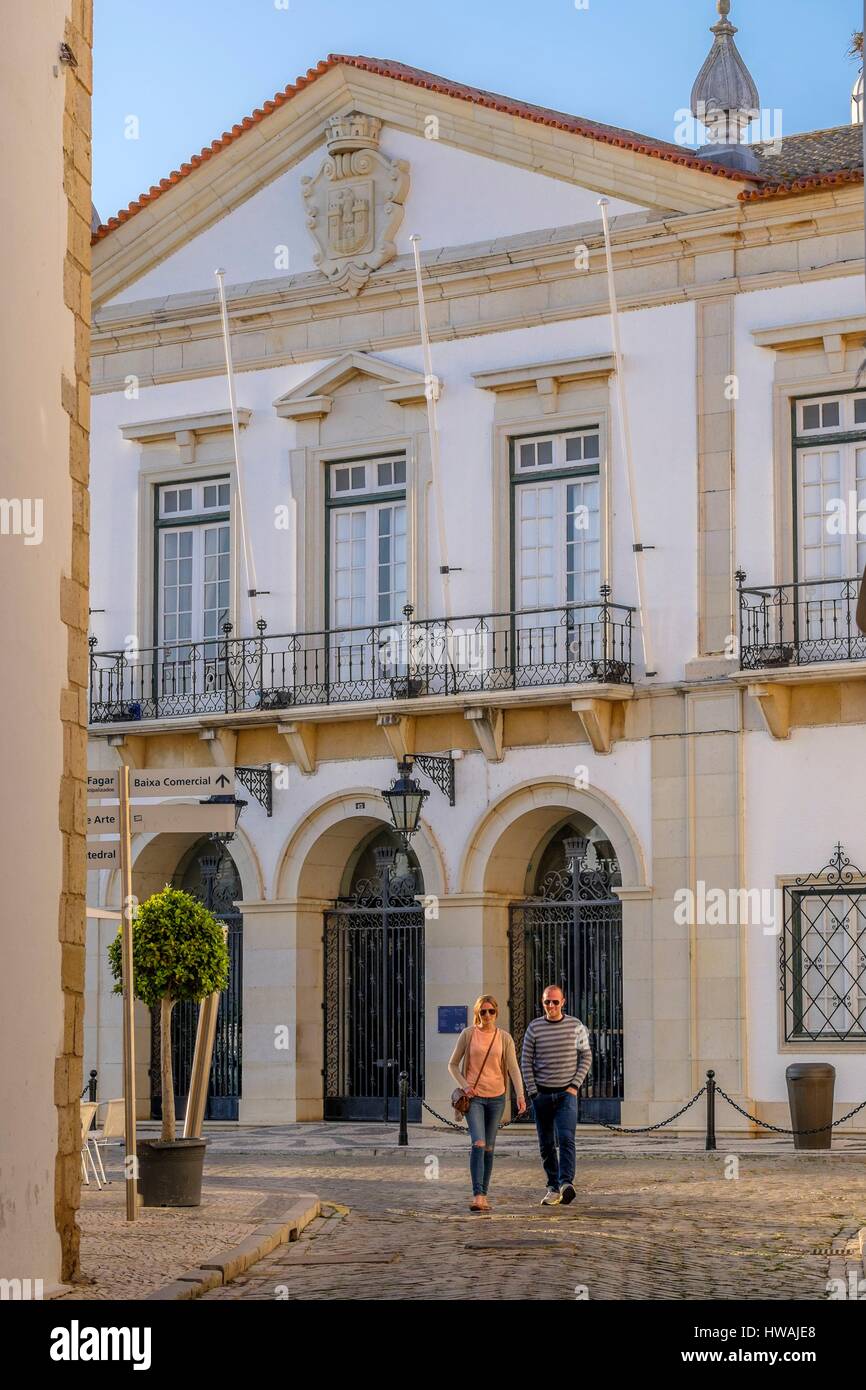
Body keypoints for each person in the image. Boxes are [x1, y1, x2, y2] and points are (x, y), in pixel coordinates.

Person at [448, 995, 527, 1212]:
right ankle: (478, 1196)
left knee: (490, 1148)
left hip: (497, 1097)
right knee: (478, 1144)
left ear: (496, 1013)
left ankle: (485, 1193)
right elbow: (452, 1065)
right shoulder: (468, 1034)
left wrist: (520, 1096)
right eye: (483, 1012)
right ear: (477, 1014)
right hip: (474, 1099)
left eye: (491, 1011)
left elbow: (513, 1069)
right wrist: (465, 1085)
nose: (487, 1016)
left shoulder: (504, 1038)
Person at [521, 984, 593, 1206]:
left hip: (566, 1094)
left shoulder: (576, 1026)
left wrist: (574, 1086)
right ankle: (552, 1187)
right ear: (542, 1003)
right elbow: (525, 1061)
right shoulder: (534, 1028)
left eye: (554, 1001)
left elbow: (586, 1057)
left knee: (565, 1138)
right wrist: (533, 1092)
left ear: (563, 1002)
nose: (550, 1005)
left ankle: (566, 1183)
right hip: (542, 1094)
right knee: (546, 1144)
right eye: (546, 1002)